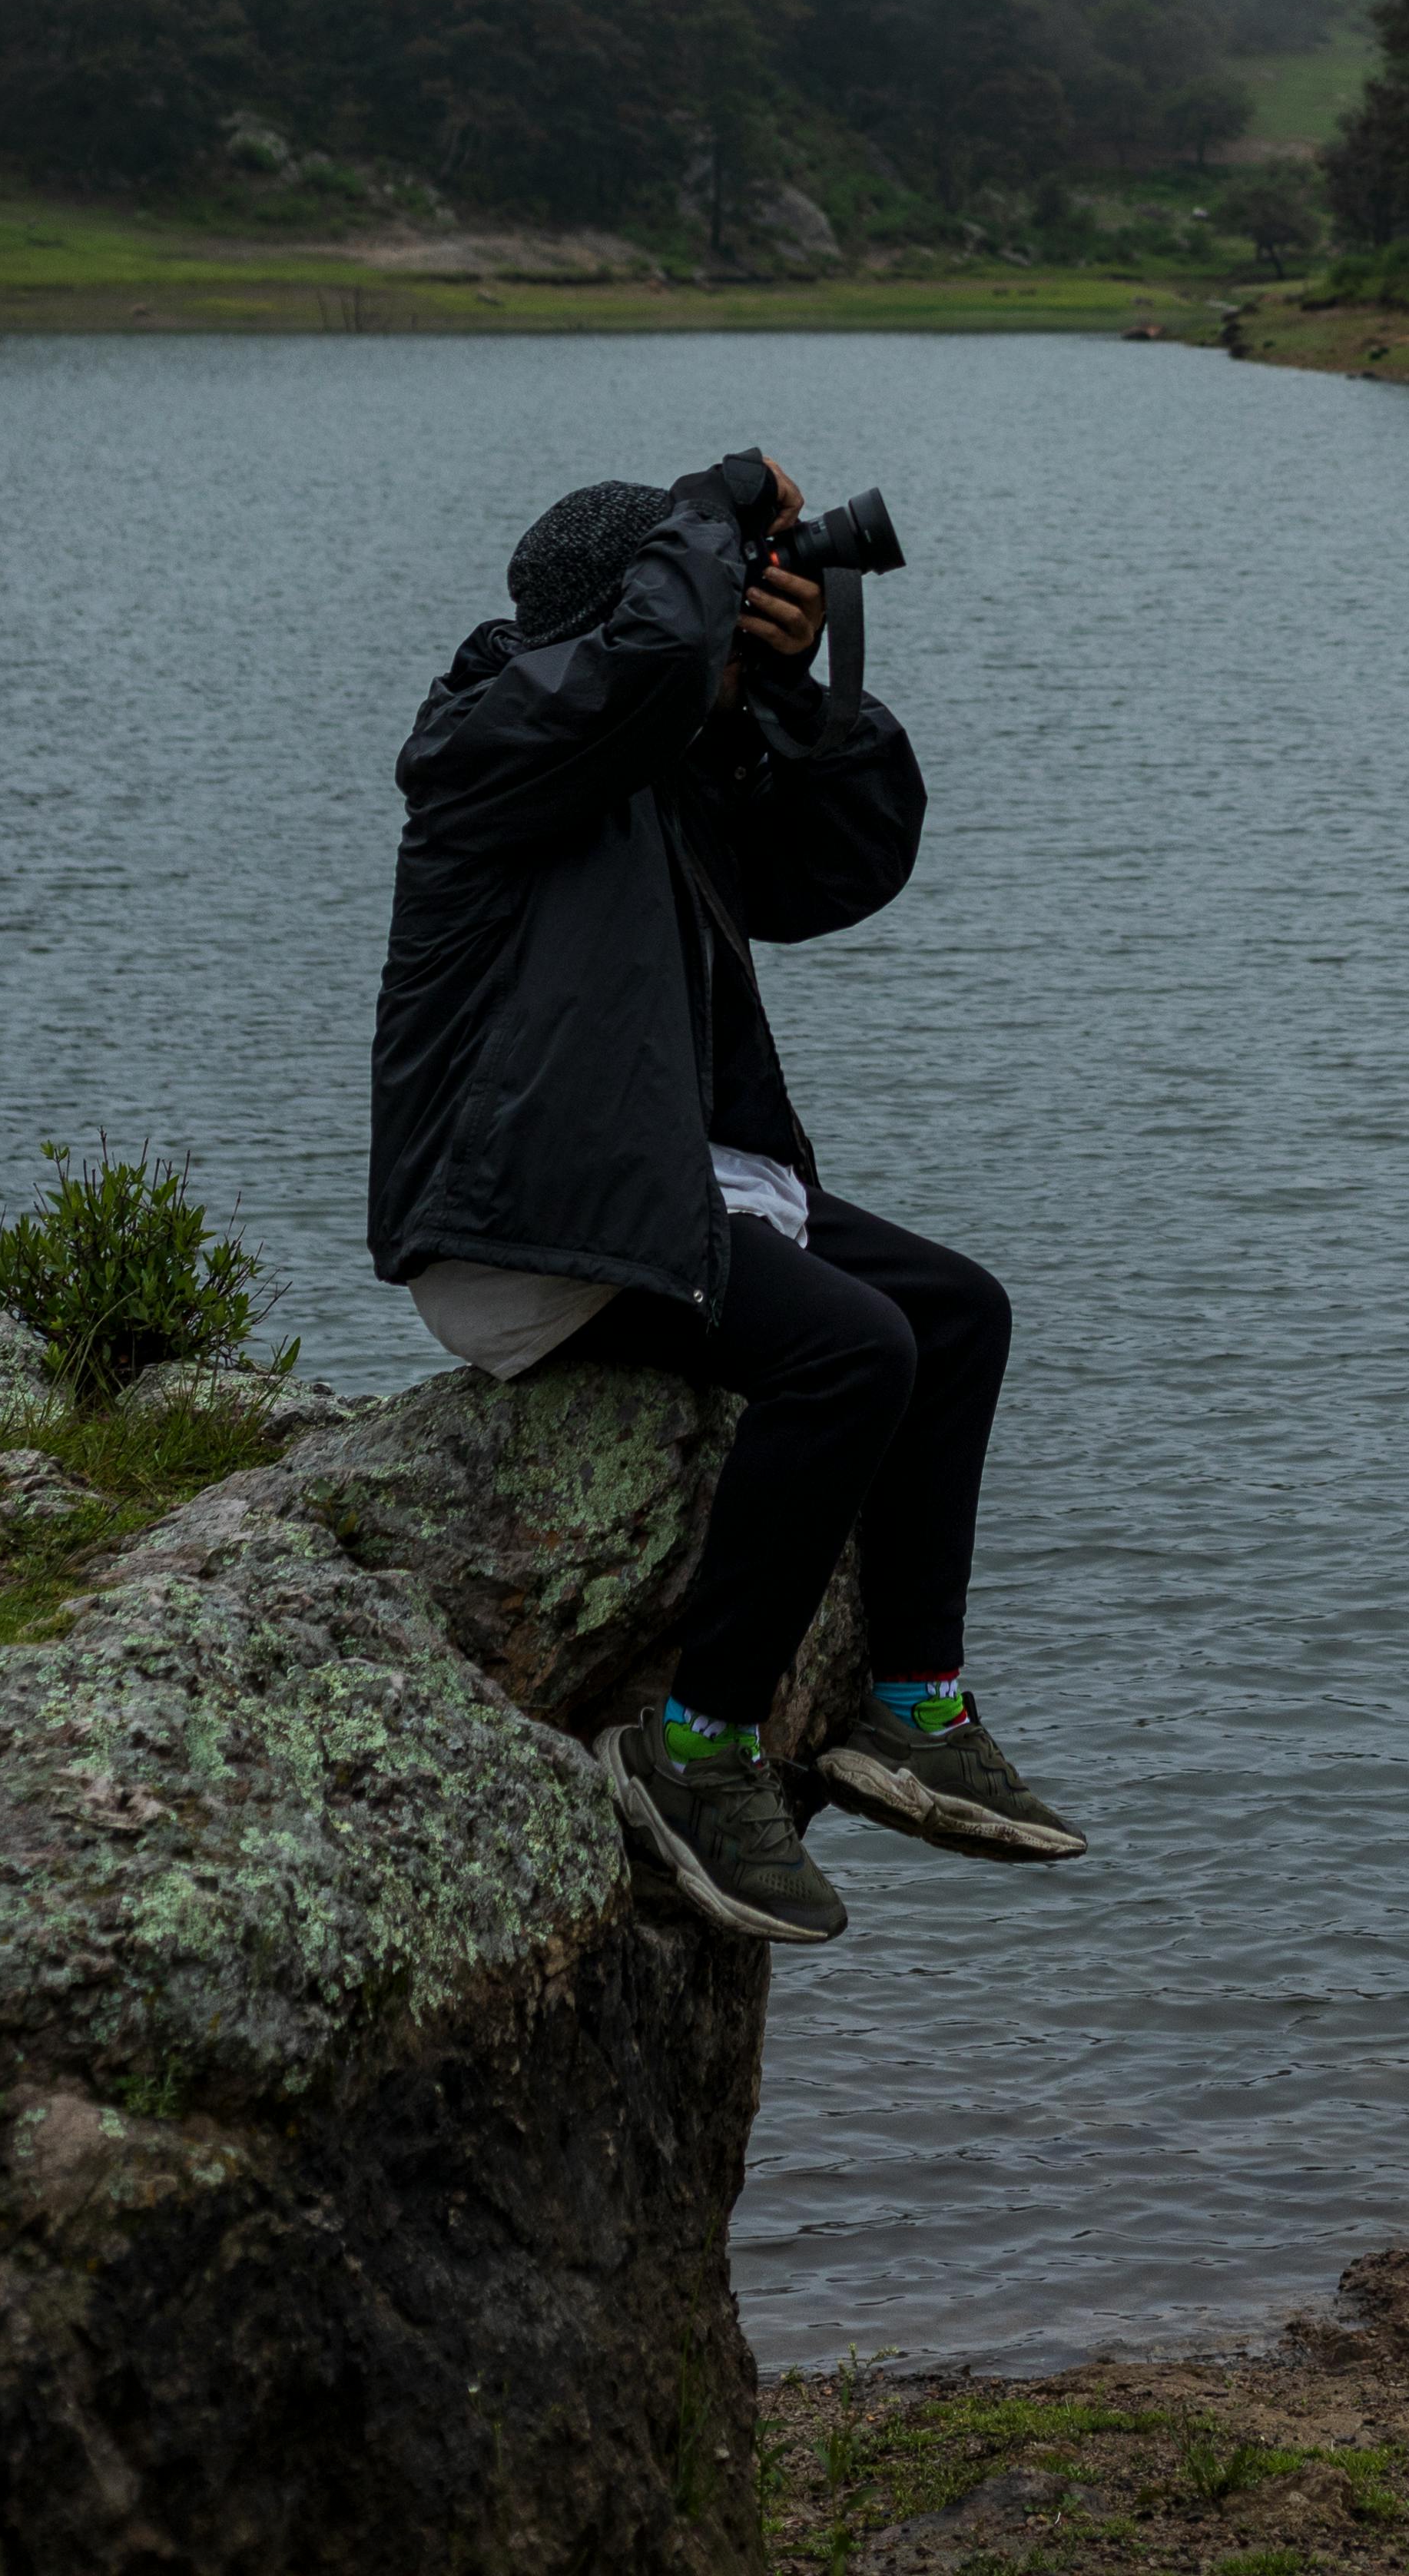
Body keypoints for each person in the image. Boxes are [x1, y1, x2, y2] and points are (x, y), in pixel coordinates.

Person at [366, 443, 1082, 1946]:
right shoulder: (490, 739)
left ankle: (909, 1705)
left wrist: (794, 687)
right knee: (851, 1352)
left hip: (640, 1187)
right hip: (516, 1222)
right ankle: (694, 1746)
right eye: (701, 602)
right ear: (626, 614)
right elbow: (616, 683)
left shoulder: (660, 762)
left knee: (953, 1315)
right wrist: (706, 516)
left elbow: (843, 860)